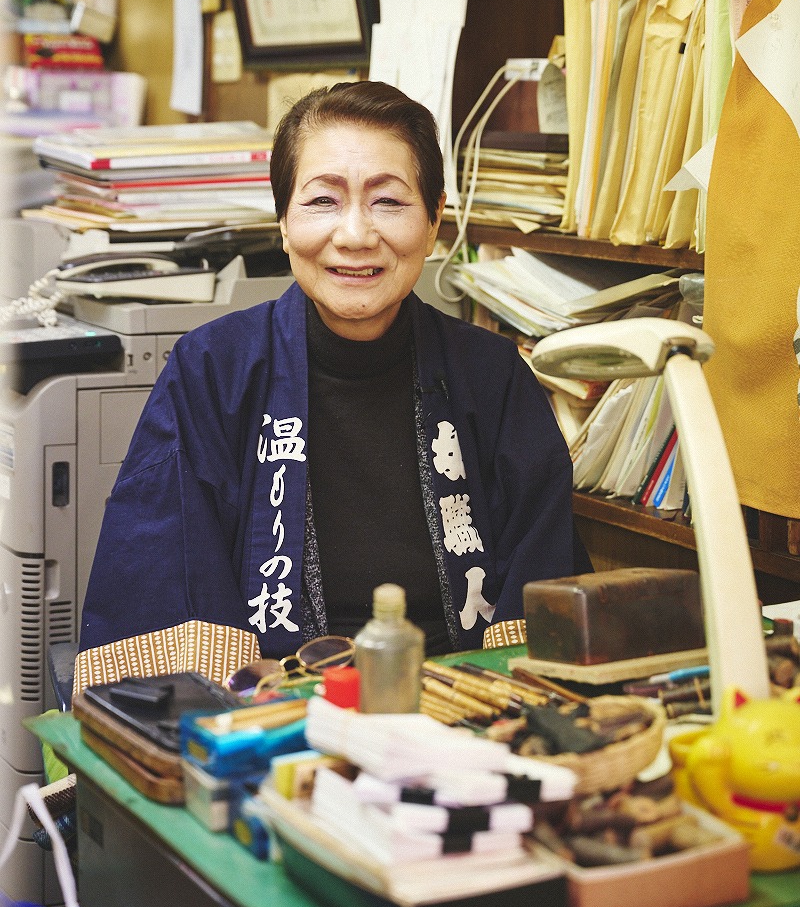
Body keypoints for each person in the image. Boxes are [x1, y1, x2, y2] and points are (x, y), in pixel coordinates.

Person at [76, 82, 590, 693]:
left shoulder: (493, 374)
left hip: (465, 701)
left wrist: (495, 702)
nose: (354, 234)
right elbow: (168, 578)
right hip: (274, 711)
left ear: (433, 223)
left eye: (388, 202)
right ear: (284, 223)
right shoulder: (212, 369)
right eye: (322, 201)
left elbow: (544, 578)